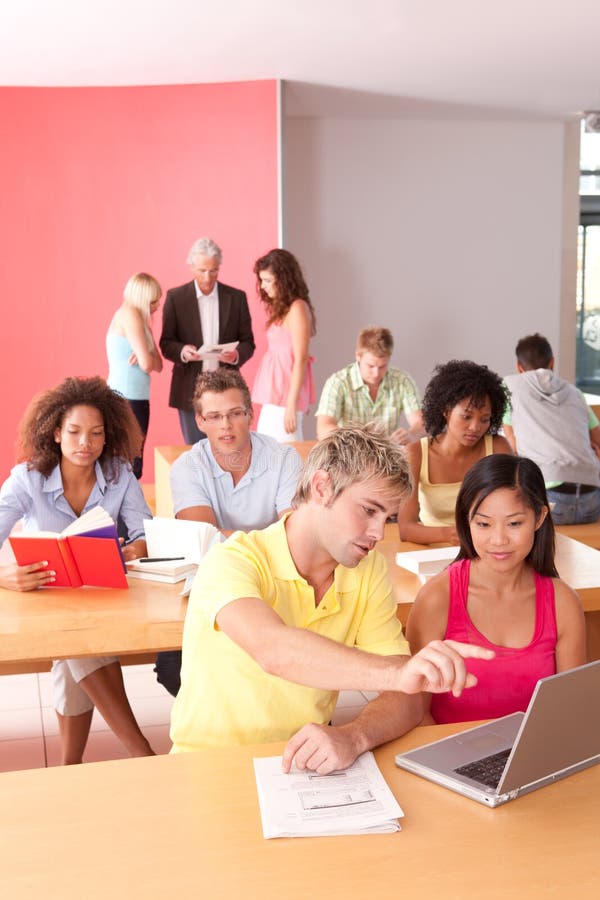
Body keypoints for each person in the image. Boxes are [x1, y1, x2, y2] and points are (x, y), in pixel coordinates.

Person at [169, 425, 494, 774]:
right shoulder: (231, 560)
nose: (378, 533)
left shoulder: (366, 572)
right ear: (322, 487)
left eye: (387, 517)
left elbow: (408, 698)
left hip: (300, 769)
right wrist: (401, 673)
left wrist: (353, 737)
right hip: (204, 766)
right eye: (369, 511)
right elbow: (274, 651)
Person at [0, 376, 155, 764]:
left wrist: (131, 550)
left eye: (96, 433)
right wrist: (4, 574)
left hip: (103, 598)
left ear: (107, 437)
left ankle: (70, 766)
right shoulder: (28, 479)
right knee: (80, 644)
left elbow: (146, 534)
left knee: (76, 645)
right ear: (55, 433)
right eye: (74, 431)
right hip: (44, 602)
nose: (85, 443)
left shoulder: (119, 475)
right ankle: (141, 753)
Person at [406, 454, 586, 724]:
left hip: (533, 758)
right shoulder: (436, 598)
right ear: (467, 521)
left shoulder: (563, 602)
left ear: (539, 518)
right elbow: (415, 713)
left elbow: (571, 711)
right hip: (447, 757)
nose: (499, 540)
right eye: (483, 524)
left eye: (514, 523)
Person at [155, 368, 303, 695]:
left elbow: (294, 533)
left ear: (250, 414)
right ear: (200, 421)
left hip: (276, 582)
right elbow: (203, 537)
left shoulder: (284, 458)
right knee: (172, 667)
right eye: (215, 416)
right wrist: (268, 538)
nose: (225, 425)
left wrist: (228, 535)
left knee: (285, 656)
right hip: (215, 581)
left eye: (235, 413)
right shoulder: (187, 468)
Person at [397, 359, 512, 544]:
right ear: (446, 410)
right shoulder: (416, 453)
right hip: (431, 552)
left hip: (485, 550)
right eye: (466, 417)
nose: (475, 427)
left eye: (484, 419)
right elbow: (406, 529)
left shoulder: (499, 448)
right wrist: (452, 534)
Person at [159, 237, 255, 444]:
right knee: (195, 451)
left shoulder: (236, 298)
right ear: (192, 266)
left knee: (228, 448)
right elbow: (166, 343)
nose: (208, 277)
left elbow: (248, 342)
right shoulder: (176, 298)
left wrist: (236, 354)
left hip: (227, 388)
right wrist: (183, 351)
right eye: (202, 270)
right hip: (189, 389)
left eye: (213, 270)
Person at [502, 333, 600, 524]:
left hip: (550, 500)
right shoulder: (575, 392)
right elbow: (597, 437)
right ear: (552, 362)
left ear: (519, 367)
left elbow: (511, 443)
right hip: (593, 499)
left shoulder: (510, 386)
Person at [316, 326, 424, 444]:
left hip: (388, 457)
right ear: (358, 355)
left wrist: (411, 435)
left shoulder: (402, 381)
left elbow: (421, 423)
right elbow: (323, 428)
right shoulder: (337, 382)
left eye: (382, 366)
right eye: (370, 366)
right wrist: (355, 440)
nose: (376, 373)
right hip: (351, 456)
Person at [251, 248, 316, 441]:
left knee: (283, 455)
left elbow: (301, 358)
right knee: (266, 453)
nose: (263, 286)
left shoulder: (297, 309)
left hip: (285, 400)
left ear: (283, 279)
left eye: (268, 280)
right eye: (261, 280)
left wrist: (291, 404)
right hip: (275, 397)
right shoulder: (283, 310)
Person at [106, 272, 163, 479]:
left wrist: (145, 355)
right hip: (127, 396)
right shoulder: (130, 315)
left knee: (132, 458)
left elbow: (159, 364)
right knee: (129, 460)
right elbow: (149, 364)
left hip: (135, 396)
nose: (157, 306)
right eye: (154, 301)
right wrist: (146, 356)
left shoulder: (141, 321)